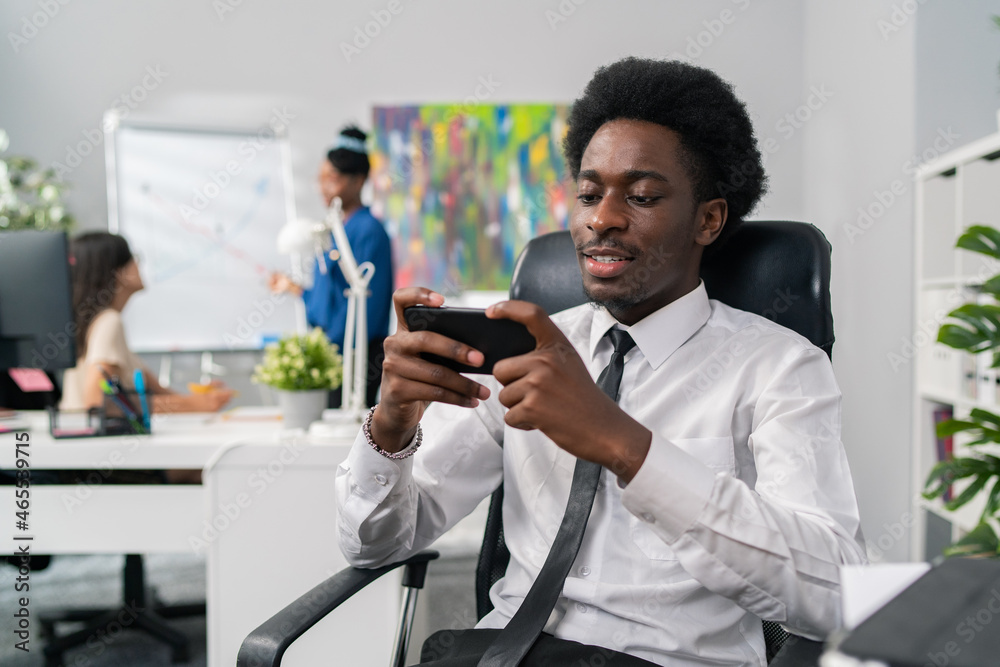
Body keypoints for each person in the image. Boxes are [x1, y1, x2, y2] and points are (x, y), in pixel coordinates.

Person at [336, 58, 866, 666]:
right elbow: (374, 548)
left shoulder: (778, 368)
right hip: (502, 652)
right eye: (588, 194)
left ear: (708, 219)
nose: (602, 218)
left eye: (641, 197)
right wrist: (391, 428)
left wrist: (625, 446)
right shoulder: (526, 349)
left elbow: (834, 592)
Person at [270, 126, 394, 409]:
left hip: (355, 355)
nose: (323, 187)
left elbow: (365, 306)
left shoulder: (368, 231)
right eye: (320, 179)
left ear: (358, 180)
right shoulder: (334, 230)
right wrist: (295, 289)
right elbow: (332, 295)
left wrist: (330, 348)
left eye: (333, 178)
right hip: (333, 351)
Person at [60, 231, 234, 416]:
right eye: (133, 258)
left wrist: (199, 398)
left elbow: (162, 393)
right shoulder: (109, 322)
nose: (139, 264)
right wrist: (191, 404)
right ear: (119, 273)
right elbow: (96, 403)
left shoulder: (95, 322)